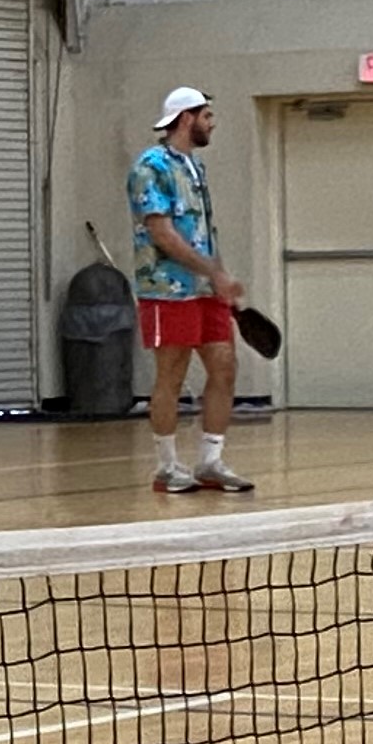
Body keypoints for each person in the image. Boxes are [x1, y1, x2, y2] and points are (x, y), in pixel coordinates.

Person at [131, 86, 253, 495]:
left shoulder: (196, 168)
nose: (211, 123)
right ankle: (167, 468)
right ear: (187, 118)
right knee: (172, 374)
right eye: (207, 116)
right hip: (166, 289)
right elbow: (161, 233)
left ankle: (210, 462)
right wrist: (210, 271)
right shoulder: (150, 167)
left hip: (205, 288)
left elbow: (202, 233)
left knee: (225, 365)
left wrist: (221, 275)